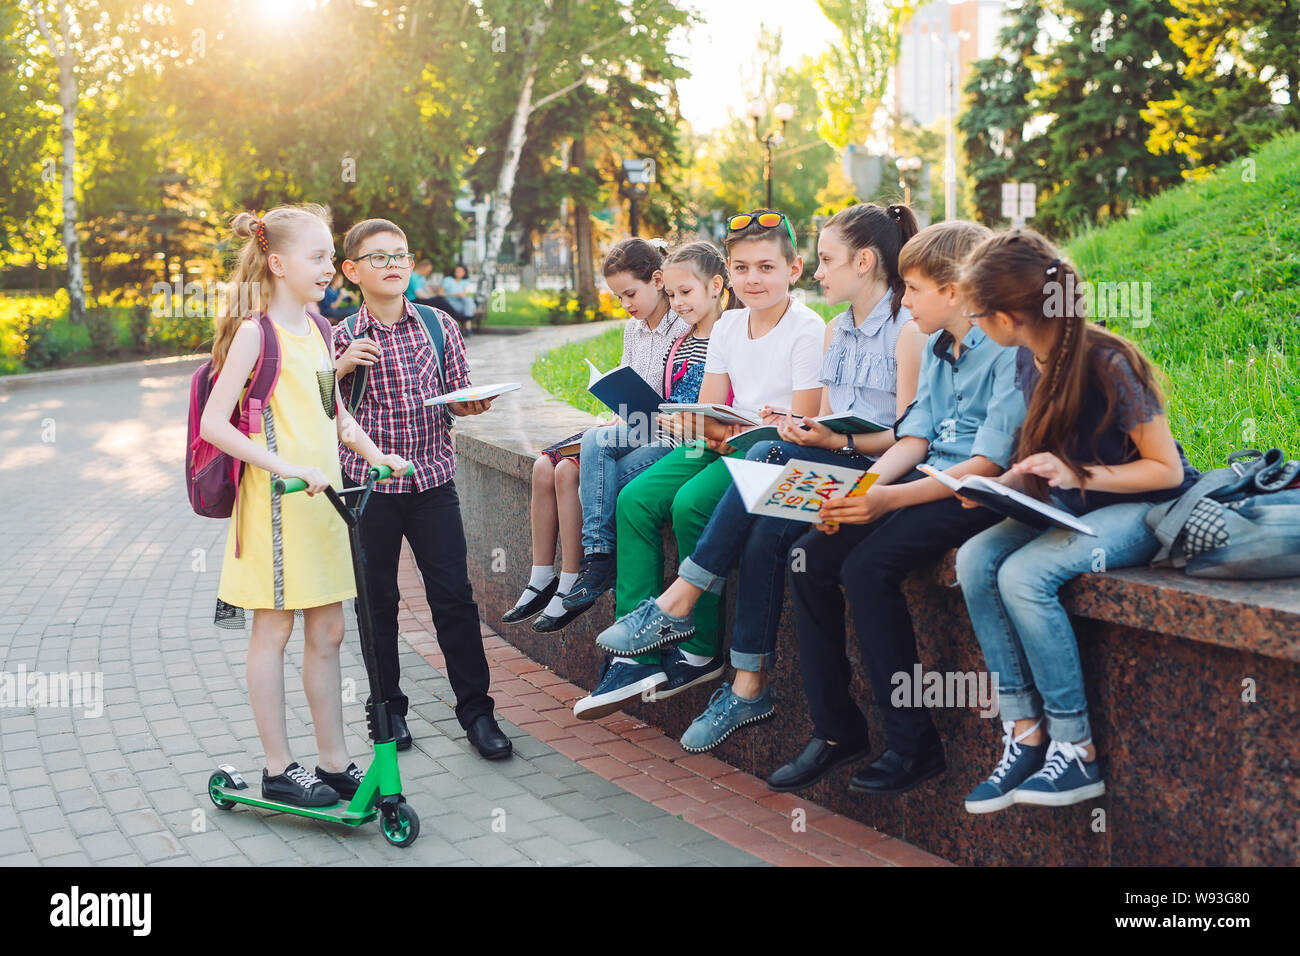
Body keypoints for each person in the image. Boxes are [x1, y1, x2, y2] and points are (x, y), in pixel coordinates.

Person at [589, 203, 929, 749]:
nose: (819, 272)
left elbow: (910, 435)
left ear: (863, 261)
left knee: (766, 468)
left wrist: (829, 439)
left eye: (824, 259)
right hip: (827, 459)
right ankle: (751, 687)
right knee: (765, 532)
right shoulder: (840, 330)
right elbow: (828, 417)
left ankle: (681, 606)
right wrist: (815, 433)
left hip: (864, 471)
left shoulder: (902, 332)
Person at [765, 219, 1025, 796]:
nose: (905, 302)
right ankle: (836, 730)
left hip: (979, 492)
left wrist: (887, 498)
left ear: (954, 291)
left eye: (913, 289)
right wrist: (858, 495)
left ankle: (914, 745)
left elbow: (987, 465)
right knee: (808, 558)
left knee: (865, 568)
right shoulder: (936, 346)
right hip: (925, 477)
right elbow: (915, 438)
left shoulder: (1008, 351)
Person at [954, 230, 1198, 811]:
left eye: (979, 313)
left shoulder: (1109, 362)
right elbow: (1047, 457)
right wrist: (1000, 485)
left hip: (1145, 509)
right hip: (1078, 505)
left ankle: (1076, 747)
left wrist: (1079, 474)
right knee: (974, 559)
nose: (975, 323)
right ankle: (1024, 731)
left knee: (1025, 575)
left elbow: (1164, 470)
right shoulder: (1027, 357)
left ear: (1009, 316)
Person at [575, 209, 825, 720]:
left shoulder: (806, 328)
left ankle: (699, 646)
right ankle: (633, 653)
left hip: (765, 449)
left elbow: (808, 420)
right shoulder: (730, 325)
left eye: (766, 267)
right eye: (742, 267)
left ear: (794, 269)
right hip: (720, 443)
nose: (753, 279)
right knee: (634, 498)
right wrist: (704, 428)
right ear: (729, 274)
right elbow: (708, 407)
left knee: (691, 505)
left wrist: (720, 431)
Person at [200, 204, 411, 808]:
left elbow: (333, 414)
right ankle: (276, 767)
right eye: (317, 257)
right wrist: (285, 467)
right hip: (275, 505)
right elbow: (216, 424)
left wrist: (376, 454)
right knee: (273, 630)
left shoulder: (318, 329)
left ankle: (333, 761)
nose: (328, 269)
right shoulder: (254, 333)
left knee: (330, 630)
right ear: (276, 262)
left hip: (323, 505)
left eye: (327, 258)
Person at [332, 218, 513, 760]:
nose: (393, 265)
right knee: (376, 603)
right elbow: (318, 412)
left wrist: (469, 404)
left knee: (454, 599)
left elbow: (457, 395)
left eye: (401, 255)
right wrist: (336, 369)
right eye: (379, 257)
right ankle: (387, 712)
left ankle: (477, 713)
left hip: (433, 481)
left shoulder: (439, 325)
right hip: (368, 489)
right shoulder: (338, 336)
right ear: (351, 271)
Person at [502, 238, 687, 632]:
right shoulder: (633, 330)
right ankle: (541, 578)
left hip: (658, 432)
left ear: (658, 280)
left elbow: (673, 404)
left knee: (571, 471)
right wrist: (616, 409)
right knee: (543, 466)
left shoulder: (683, 326)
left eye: (630, 294)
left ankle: (577, 574)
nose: (626, 305)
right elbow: (628, 382)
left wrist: (630, 417)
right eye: (619, 297)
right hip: (630, 425)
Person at [561, 240, 734, 622]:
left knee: (604, 464)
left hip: (680, 442)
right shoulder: (683, 342)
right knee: (586, 469)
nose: (678, 302)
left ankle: (600, 560)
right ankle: (592, 571)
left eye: (683, 292)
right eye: (674, 295)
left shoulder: (719, 335)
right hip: (658, 430)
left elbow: (710, 411)